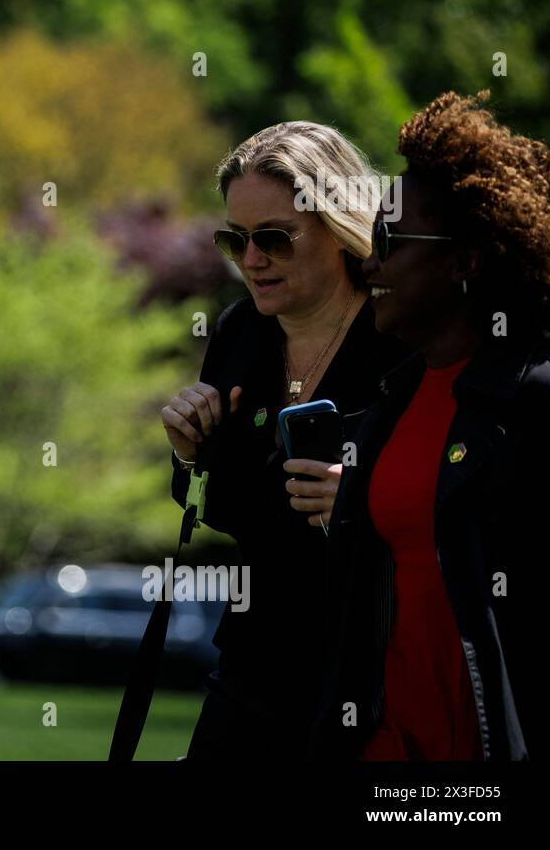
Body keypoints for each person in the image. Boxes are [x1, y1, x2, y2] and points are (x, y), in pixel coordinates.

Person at [162, 121, 411, 758]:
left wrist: (360, 499)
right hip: (254, 665)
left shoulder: (403, 337)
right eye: (235, 239)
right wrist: (189, 453)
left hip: (377, 674)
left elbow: (450, 496)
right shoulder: (240, 332)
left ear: (338, 225)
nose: (251, 260)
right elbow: (217, 507)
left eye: (274, 238)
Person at [311, 91, 548, 760]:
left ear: (465, 260)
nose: (370, 264)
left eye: (389, 241)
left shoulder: (532, 404)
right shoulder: (392, 402)